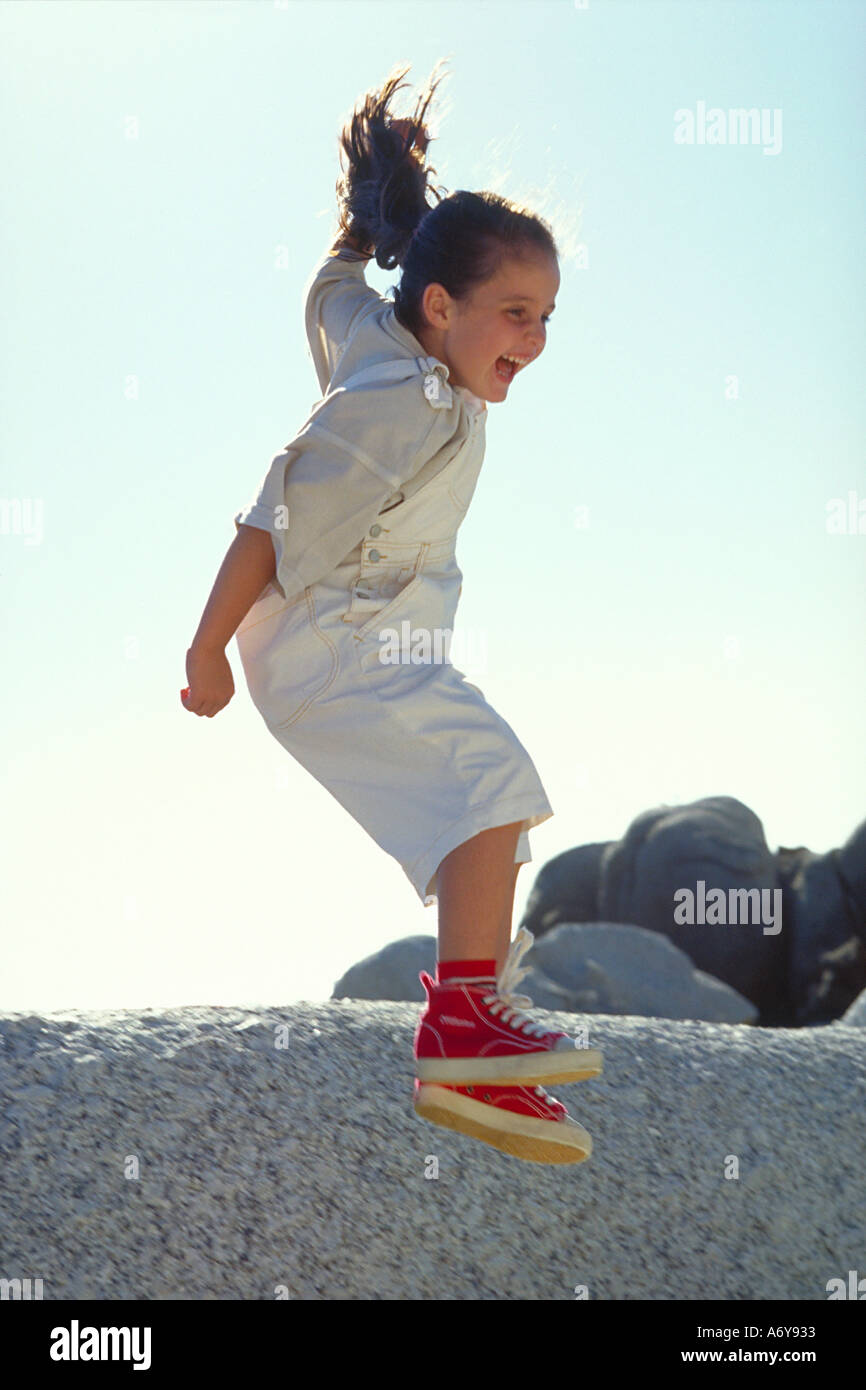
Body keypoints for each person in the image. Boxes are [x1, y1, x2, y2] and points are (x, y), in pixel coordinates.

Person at [181, 61, 602, 1165]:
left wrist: (355, 229)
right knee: (492, 786)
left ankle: (469, 1043)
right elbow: (270, 514)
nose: (535, 338)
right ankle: (461, 1025)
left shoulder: (374, 335)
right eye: (516, 314)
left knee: (493, 796)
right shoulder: (395, 407)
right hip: (331, 641)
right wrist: (204, 648)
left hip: (363, 640)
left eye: (547, 315)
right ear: (438, 306)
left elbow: (326, 291)